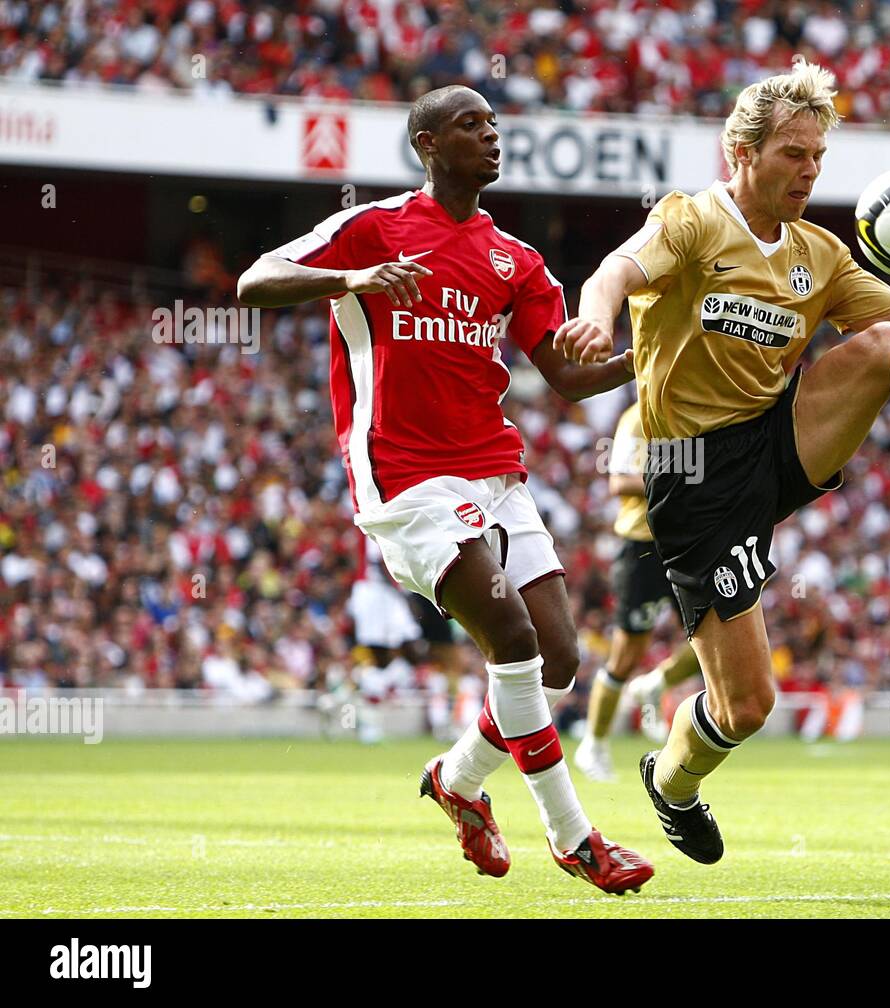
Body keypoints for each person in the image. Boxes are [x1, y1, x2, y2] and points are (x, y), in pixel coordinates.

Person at [554, 57, 890, 865]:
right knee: (746, 705)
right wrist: (597, 320)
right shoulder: (690, 222)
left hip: (775, 441)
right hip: (693, 477)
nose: (809, 172)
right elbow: (614, 273)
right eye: (793, 155)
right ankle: (670, 783)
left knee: (881, 344)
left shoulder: (820, 252)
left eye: (817, 157)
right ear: (741, 154)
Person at [238, 85, 653, 894]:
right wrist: (355, 278)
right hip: (404, 472)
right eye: (471, 125)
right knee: (512, 638)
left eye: (495, 125)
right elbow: (255, 282)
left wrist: (650, 356)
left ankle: (457, 781)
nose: (491, 137)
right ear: (428, 145)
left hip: (495, 471)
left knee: (560, 658)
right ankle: (575, 838)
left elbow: (566, 377)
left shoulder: (516, 259)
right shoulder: (376, 226)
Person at [574, 401, 701, 782]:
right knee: (626, 655)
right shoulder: (636, 417)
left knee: (710, 643)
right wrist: (674, 480)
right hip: (640, 548)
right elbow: (619, 481)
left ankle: (656, 684)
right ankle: (592, 744)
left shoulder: (691, 413)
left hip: (686, 544)